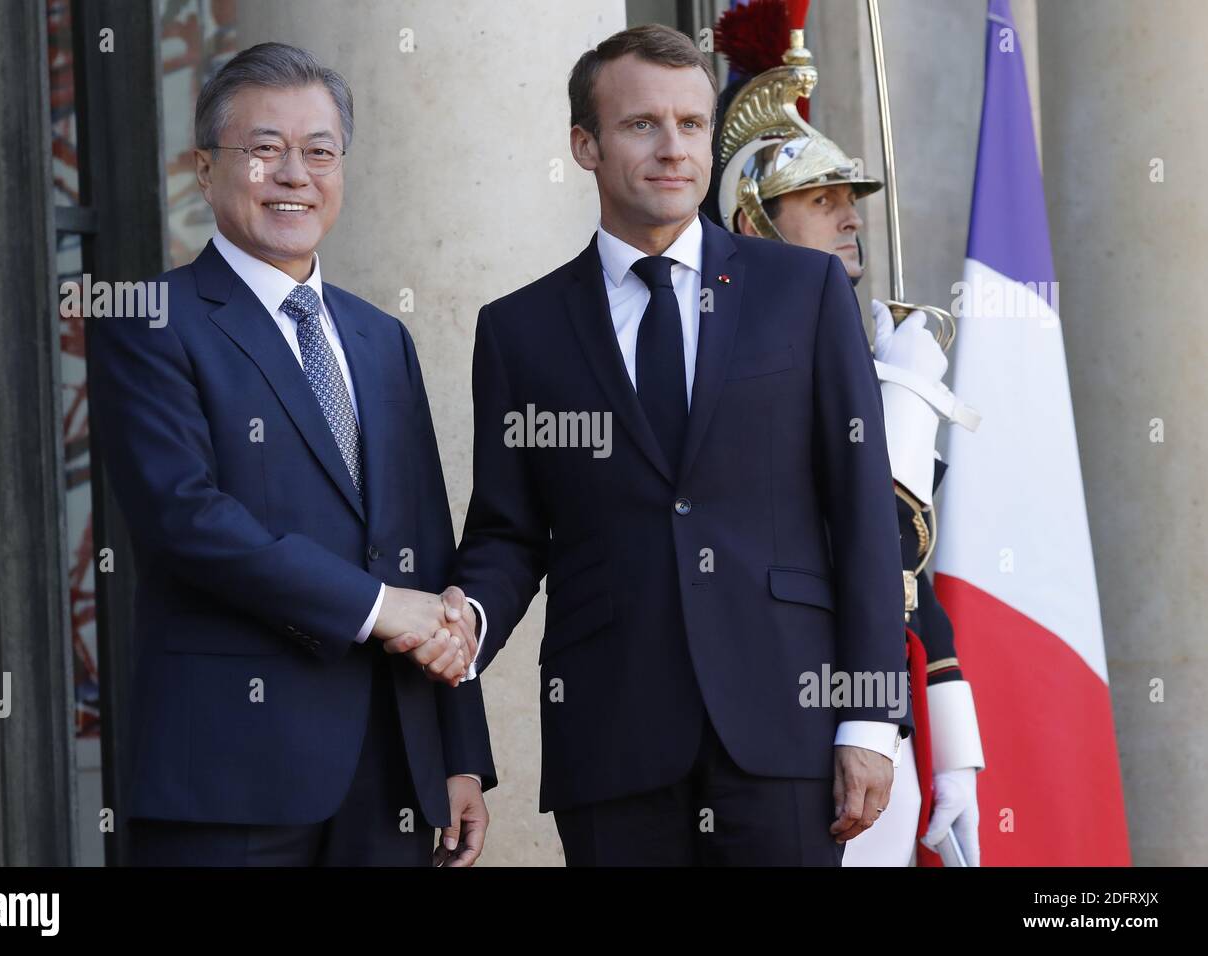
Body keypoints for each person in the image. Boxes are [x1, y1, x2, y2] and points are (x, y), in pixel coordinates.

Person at [401, 23, 905, 866]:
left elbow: (861, 511)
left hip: (788, 727)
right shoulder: (520, 330)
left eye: (692, 124)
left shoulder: (804, 291)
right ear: (584, 145)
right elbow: (509, 532)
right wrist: (468, 620)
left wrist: (869, 719)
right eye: (642, 125)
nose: (673, 148)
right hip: (612, 735)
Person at [89, 42, 493, 866]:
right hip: (230, 774)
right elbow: (186, 519)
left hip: (391, 771)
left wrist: (459, 754)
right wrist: (379, 607)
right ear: (205, 169)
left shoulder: (383, 339)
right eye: (262, 149)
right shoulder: (153, 320)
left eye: (318, 152)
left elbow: (425, 543)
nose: (292, 174)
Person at [704, 0, 986, 865]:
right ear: (754, 220)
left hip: (879, 717)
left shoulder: (873, 354)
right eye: (821, 200)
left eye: (849, 199)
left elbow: (905, 578)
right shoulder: (719, 367)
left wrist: (955, 742)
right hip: (776, 725)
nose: (851, 217)